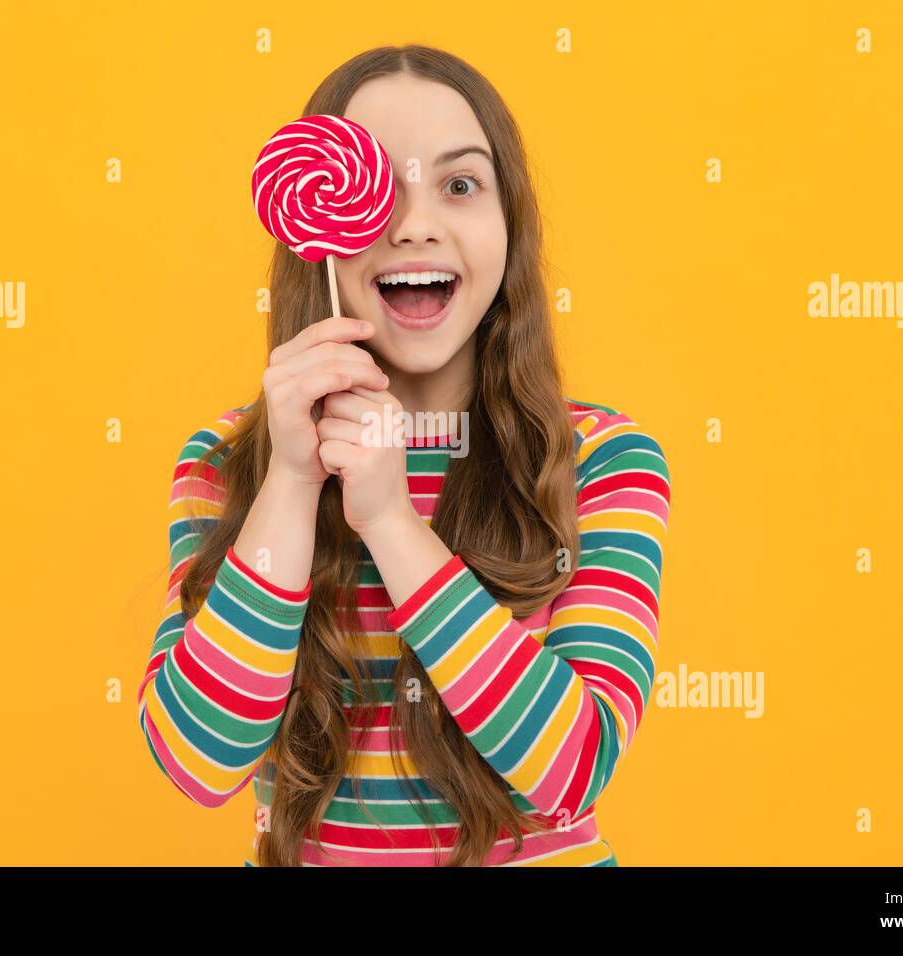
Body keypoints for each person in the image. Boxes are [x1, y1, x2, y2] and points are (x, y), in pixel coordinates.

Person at [137, 44, 671, 866]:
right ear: (312, 225)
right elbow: (199, 760)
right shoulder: (228, 462)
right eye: (378, 188)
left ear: (509, 225)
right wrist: (289, 477)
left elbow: (571, 768)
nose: (415, 223)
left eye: (460, 185)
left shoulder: (598, 458)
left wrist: (390, 520)